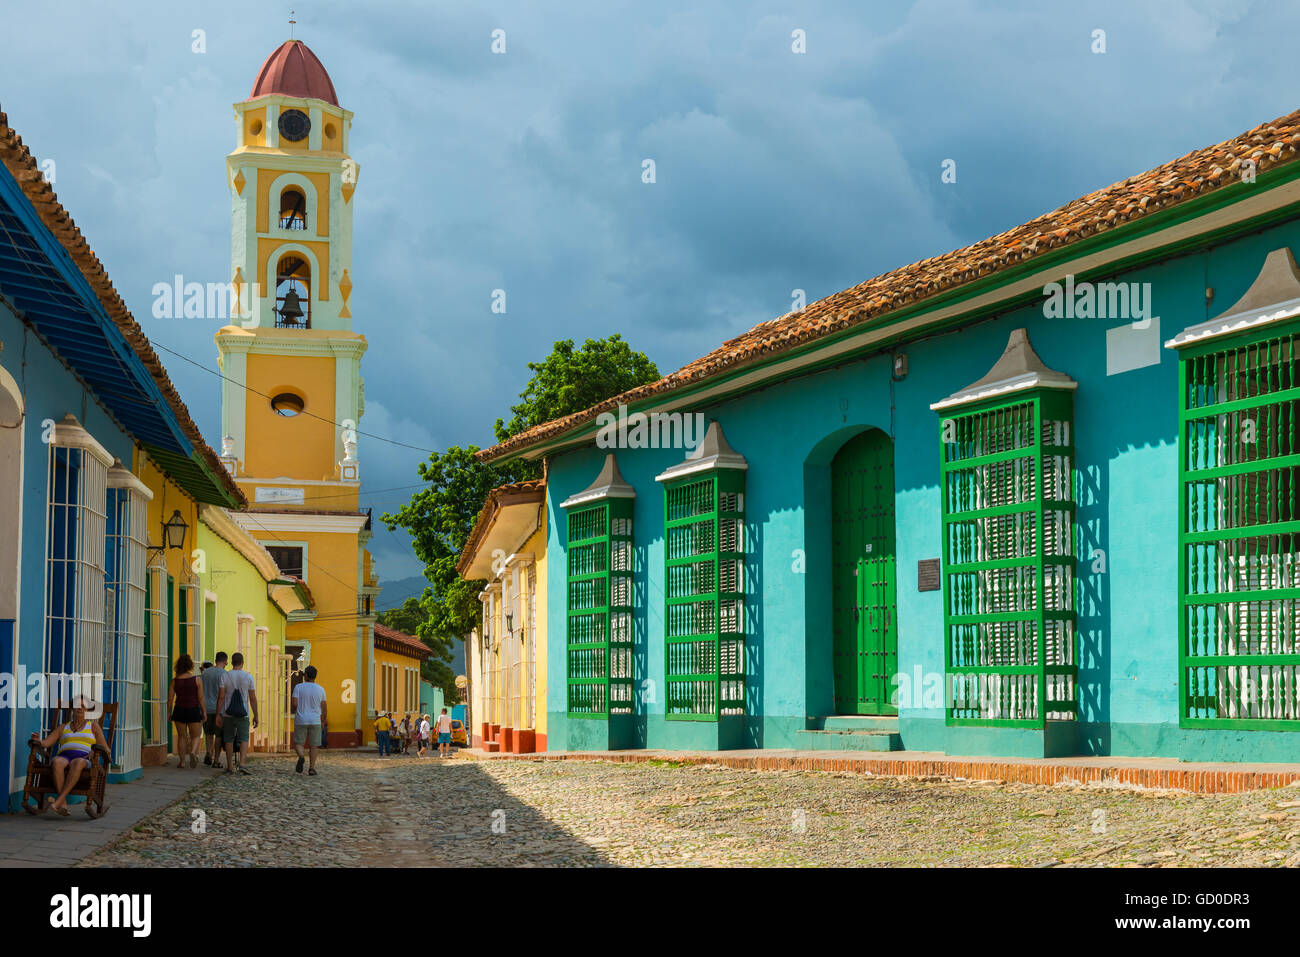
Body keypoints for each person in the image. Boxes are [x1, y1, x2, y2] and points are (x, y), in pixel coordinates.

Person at [30, 700, 108, 816]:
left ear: (86, 710)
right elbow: (47, 743)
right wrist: (38, 741)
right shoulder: (63, 727)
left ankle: (59, 801)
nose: (79, 708)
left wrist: (94, 750)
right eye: (77, 706)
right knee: (56, 761)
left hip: (83, 758)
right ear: (72, 709)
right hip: (64, 756)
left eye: (82, 706)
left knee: (78, 762)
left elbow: (106, 749)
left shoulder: (93, 726)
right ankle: (63, 804)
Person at [214, 652, 258, 775]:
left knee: (228, 738)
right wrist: (256, 715)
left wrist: (218, 714)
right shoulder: (248, 677)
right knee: (244, 737)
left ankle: (230, 766)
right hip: (243, 713)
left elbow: (221, 697)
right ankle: (242, 763)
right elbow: (253, 698)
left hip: (227, 713)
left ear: (232, 662)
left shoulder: (225, 676)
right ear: (242, 663)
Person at [167, 654, 205, 768]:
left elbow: (170, 699)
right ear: (190, 665)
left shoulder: (174, 681)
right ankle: (193, 751)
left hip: (179, 710)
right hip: (193, 709)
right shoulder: (197, 680)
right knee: (196, 735)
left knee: (182, 737)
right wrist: (204, 711)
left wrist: (169, 712)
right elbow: (201, 698)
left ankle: (182, 762)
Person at [291, 664, 327, 776]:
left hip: (301, 719)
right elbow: (324, 707)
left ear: (306, 675)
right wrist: (322, 721)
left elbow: (294, 704)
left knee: (298, 743)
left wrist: (299, 710)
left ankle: (301, 757)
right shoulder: (321, 689)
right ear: (315, 676)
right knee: (314, 745)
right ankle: (311, 768)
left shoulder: (298, 687)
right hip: (315, 720)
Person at [200, 653, 228, 767]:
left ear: (215, 660)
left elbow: (200, 690)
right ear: (225, 662)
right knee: (219, 735)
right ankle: (216, 760)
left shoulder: (205, 673)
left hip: (206, 708)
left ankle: (208, 753)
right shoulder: (225, 674)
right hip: (219, 710)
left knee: (208, 733)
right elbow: (225, 693)